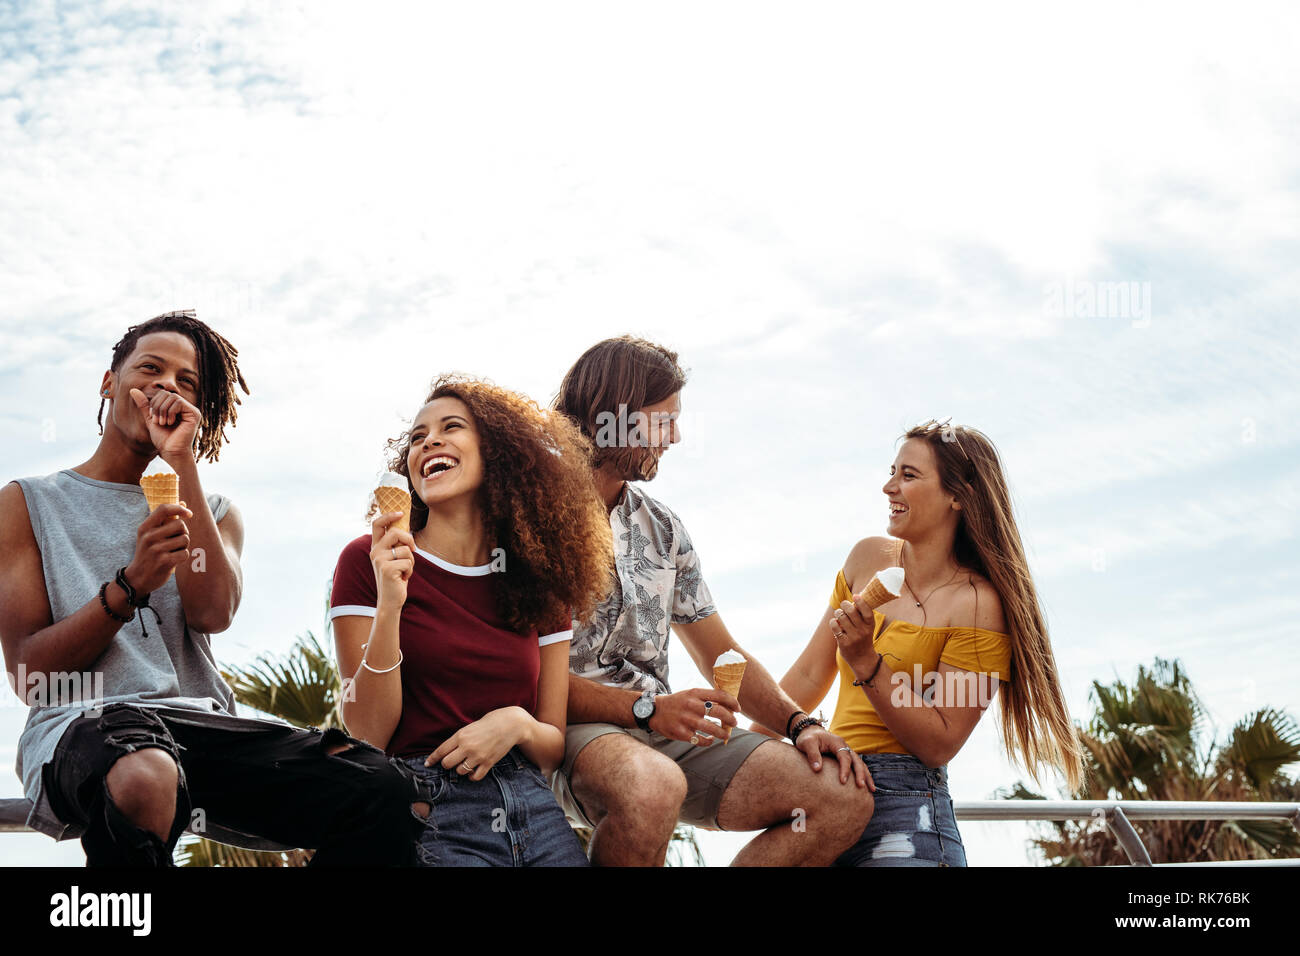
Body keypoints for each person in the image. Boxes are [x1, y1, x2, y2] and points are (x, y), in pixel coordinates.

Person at [0, 310, 430, 866]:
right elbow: (33, 676)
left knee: (388, 791)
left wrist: (179, 460)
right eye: (150, 369)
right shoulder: (26, 504)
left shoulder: (219, 512)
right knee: (145, 774)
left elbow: (213, 612)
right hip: (85, 728)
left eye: (186, 383)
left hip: (204, 725)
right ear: (109, 382)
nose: (166, 388)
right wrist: (130, 587)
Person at [549, 336, 874, 867]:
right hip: (561, 729)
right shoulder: (527, 512)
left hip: (660, 733)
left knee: (841, 797)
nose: (675, 436)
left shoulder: (664, 528)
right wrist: (648, 709)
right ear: (616, 412)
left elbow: (723, 655)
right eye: (664, 420)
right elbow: (515, 670)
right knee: (652, 787)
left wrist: (802, 725)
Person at [330, 374, 611, 866]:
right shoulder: (367, 560)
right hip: (428, 802)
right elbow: (368, 733)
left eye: (450, 427)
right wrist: (391, 602)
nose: (429, 441)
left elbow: (550, 746)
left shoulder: (541, 579)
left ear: (497, 452)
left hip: (536, 808)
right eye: (417, 437)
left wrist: (515, 722)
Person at [778, 419, 1085, 866]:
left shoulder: (979, 604)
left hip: (908, 808)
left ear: (958, 496)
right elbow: (809, 674)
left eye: (908, 475)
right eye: (892, 471)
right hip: (828, 789)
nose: (888, 487)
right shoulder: (866, 558)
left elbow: (940, 741)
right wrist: (746, 753)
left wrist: (868, 663)